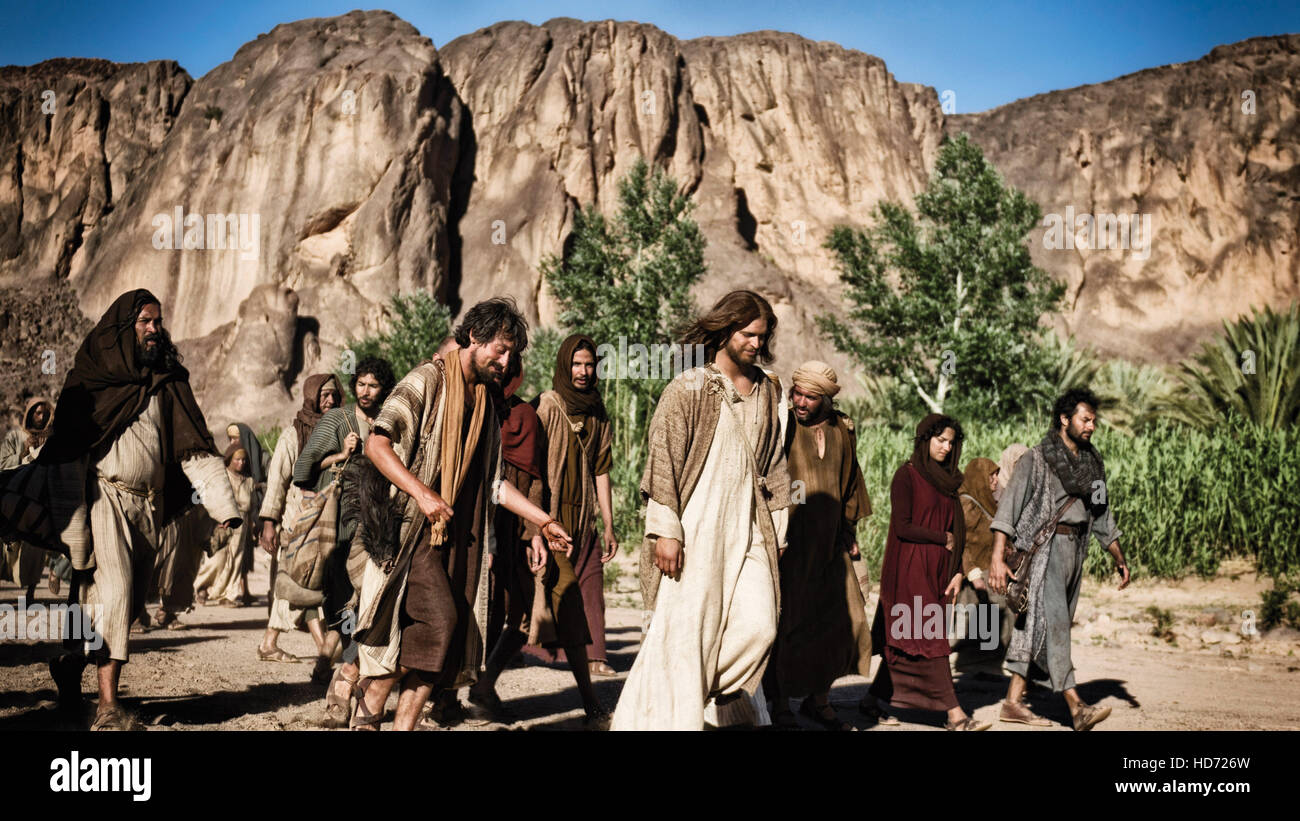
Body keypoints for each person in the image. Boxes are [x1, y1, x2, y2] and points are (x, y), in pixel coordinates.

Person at [0, 289, 240, 730]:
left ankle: (69, 666)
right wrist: (71, 522)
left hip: (147, 505)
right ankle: (108, 707)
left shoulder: (168, 383)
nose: (155, 328)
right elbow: (68, 448)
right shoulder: (92, 381)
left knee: (123, 606)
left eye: (159, 321)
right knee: (115, 588)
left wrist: (225, 506)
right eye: (146, 321)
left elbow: (194, 449)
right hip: (102, 496)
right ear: (124, 327)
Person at [348, 297, 573, 731]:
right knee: (440, 622)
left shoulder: (487, 403)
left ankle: (384, 716)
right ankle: (371, 698)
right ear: (473, 337)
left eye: (512, 354)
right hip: (414, 534)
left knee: (445, 642)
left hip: (460, 539)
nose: (506, 362)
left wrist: (542, 519)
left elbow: (493, 483)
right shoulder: (427, 381)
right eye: (500, 350)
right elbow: (378, 443)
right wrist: (424, 494)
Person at [612, 290, 791, 731]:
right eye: (747, 334)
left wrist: (779, 532)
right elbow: (663, 462)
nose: (755, 343)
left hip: (749, 528)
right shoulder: (690, 386)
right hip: (695, 526)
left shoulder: (769, 391)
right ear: (726, 330)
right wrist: (665, 530)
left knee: (760, 625)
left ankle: (704, 694)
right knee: (687, 629)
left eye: (761, 336)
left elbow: (776, 468)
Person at [467, 352, 607, 725]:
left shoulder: (525, 415)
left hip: (525, 533)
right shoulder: (474, 413)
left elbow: (535, 480)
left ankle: (591, 703)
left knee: (564, 598)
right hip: (482, 534)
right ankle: (469, 691)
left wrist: (537, 532)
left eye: (508, 375)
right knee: (505, 614)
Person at [989, 388, 1129, 731]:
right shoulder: (1036, 459)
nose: (1091, 426)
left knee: (1040, 625)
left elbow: (1101, 514)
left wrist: (1119, 558)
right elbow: (1008, 510)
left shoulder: (1092, 464)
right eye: (1085, 419)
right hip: (1046, 552)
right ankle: (1076, 705)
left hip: (1075, 553)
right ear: (1065, 420)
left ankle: (1012, 702)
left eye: (1094, 420)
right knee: (1057, 627)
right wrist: (996, 558)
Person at [864, 413, 990, 731]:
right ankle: (954, 714)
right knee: (930, 639)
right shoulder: (906, 476)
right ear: (924, 439)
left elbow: (958, 531)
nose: (945, 447)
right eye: (940, 440)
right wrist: (941, 538)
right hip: (908, 570)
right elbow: (903, 526)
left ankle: (871, 699)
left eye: (951, 442)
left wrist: (958, 570)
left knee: (907, 638)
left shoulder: (950, 481)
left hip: (939, 572)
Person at [765, 361, 872, 731]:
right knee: (787, 623)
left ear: (826, 400)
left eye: (810, 397)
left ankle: (819, 699)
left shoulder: (843, 429)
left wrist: (850, 533)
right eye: (797, 393)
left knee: (840, 622)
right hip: (789, 545)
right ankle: (779, 703)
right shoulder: (783, 427)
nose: (801, 402)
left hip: (831, 544)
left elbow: (850, 483)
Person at [293, 357, 395, 690]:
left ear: (384, 389)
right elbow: (303, 468)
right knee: (341, 601)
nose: (366, 391)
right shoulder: (338, 419)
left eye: (373, 385)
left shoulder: (388, 422)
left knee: (365, 597)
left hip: (375, 526)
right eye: (361, 384)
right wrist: (342, 454)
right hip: (339, 527)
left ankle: (336, 668)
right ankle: (329, 666)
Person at [530, 334, 618, 679]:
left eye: (589, 364)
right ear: (565, 366)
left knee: (591, 584)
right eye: (576, 364)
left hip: (584, 515)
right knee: (551, 584)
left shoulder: (597, 410)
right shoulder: (548, 405)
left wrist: (609, 523)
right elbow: (532, 465)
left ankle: (597, 656)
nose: (582, 371)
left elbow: (602, 469)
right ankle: (539, 651)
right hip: (552, 513)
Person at [255, 374, 341, 665]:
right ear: (312, 397)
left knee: (310, 578)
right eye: (324, 395)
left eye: (333, 394)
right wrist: (269, 522)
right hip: (297, 515)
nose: (329, 400)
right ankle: (316, 647)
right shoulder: (294, 434)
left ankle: (279, 643)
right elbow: (277, 478)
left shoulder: (339, 430)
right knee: (295, 578)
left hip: (327, 516)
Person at [949, 457, 1014, 677]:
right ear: (979, 478)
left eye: (996, 475)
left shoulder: (987, 501)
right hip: (977, 572)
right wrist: (973, 573)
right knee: (981, 619)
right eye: (991, 476)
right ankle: (974, 663)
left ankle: (987, 663)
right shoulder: (967, 503)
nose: (995, 480)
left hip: (990, 569)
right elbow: (961, 542)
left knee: (995, 616)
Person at [1, 397, 57, 601]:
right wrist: (23, 450)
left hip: (37, 498)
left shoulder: (51, 439)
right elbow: (3, 463)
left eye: (44, 412)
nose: (41, 417)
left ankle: (31, 592)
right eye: (37, 412)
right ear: (29, 414)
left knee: (35, 551)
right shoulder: (15, 436)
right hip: (14, 497)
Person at [192, 444, 256, 606]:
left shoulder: (249, 481)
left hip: (242, 525)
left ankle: (228, 595)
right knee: (217, 559)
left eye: (243, 460)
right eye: (237, 460)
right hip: (224, 522)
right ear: (230, 460)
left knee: (236, 560)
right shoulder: (223, 477)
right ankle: (201, 586)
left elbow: (252, 506)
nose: (240, 463)